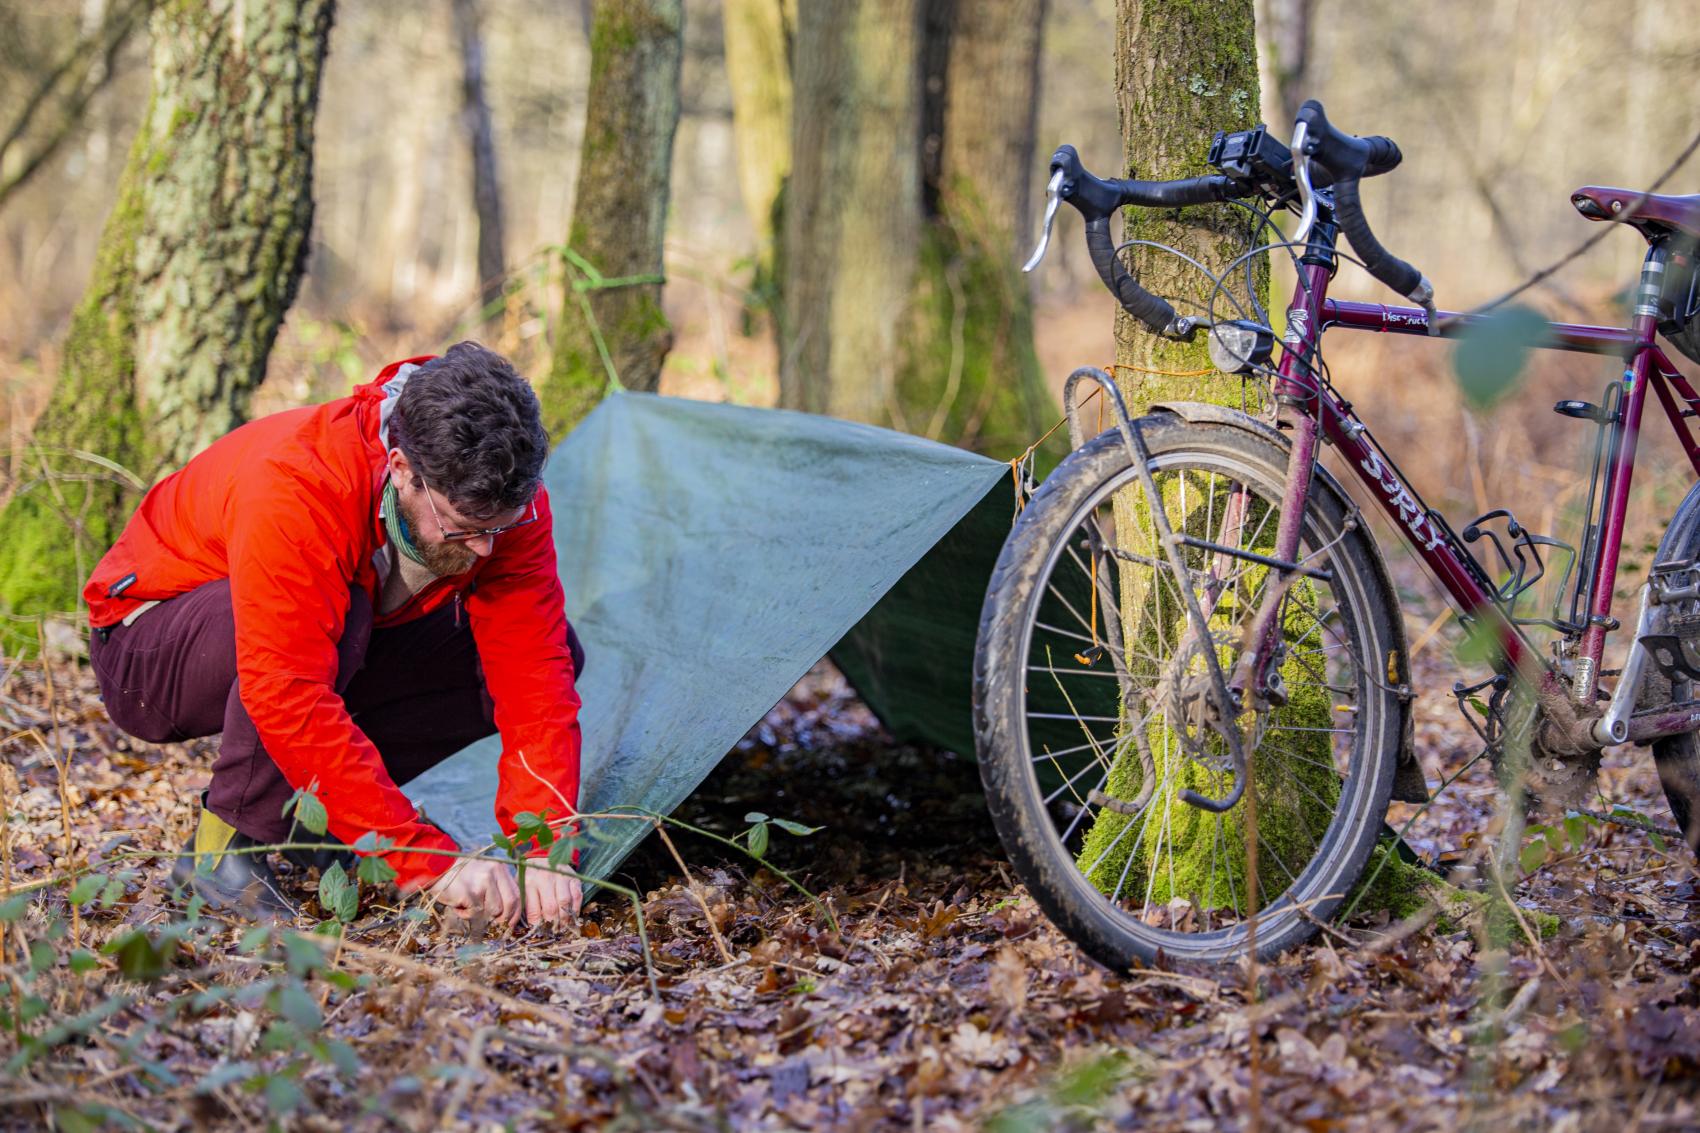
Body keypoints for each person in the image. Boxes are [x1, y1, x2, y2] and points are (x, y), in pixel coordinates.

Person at [84, 342, 584, 929]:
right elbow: (286, 689)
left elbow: (534, 675)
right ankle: (223, 853)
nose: (485, 548)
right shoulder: (302, 480)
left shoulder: (503, 502)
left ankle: (318, 821)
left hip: (330, 636)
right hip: (148, 646)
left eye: (501, 527)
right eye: (465, 529)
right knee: (342, 616)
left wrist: (545, 846)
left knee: (557, 652)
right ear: (402, 470)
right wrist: (425, 859)